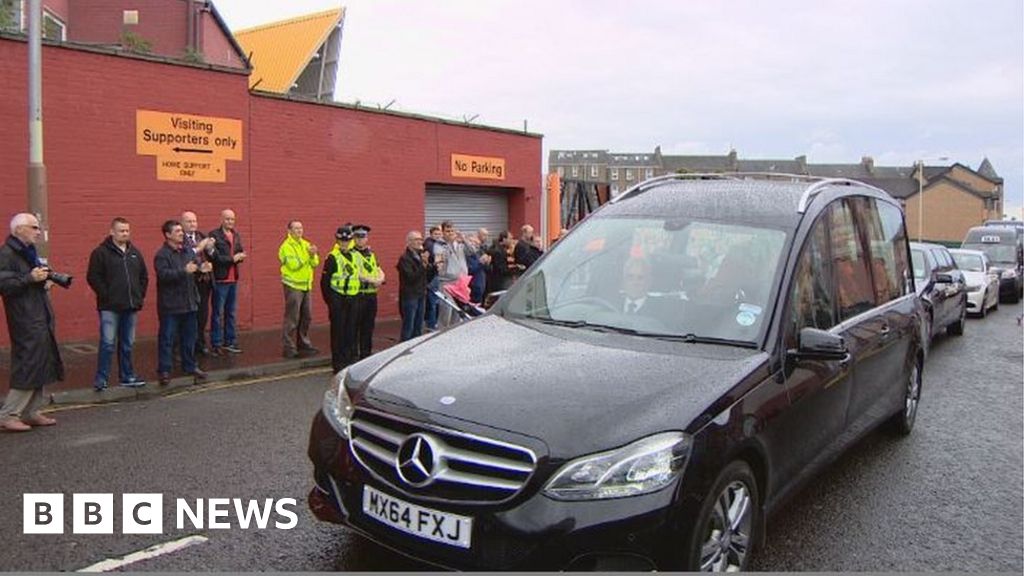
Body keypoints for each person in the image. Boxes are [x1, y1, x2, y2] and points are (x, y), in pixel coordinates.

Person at [0, 213, 64, 432]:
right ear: (19, 229)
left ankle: (31, 411)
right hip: (25, 317)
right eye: (34, 227)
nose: (38, 231)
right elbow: (4, 284)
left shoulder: (28, 252)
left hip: (38, 313)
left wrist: (42, 283)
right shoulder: (7, 253)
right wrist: (30, 279)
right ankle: (9, 414)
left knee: (41, 360)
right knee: (28, 362)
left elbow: (26, 281)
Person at [85, 216, 148, 390]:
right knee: (107, 343)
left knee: (127, 344)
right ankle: (101, 379)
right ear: (111, 231)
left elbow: (143, 276)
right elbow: (93, 277)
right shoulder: (100, 253)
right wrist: (106, 295)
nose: (125, 234)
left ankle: (127, 376)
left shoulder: (135, 253)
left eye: (127, 230)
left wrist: (139, 296)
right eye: (121, 230)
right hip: (109, 307)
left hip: (131, 305)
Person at [154, 220, 210, 386]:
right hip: (171, 304)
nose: (181, 233)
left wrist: (202, 268)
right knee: (167, 338)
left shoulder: (187, 251)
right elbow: (163, 275)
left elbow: (196, 266)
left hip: (189, 302)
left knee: (189, 337)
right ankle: (164, 370)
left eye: (181, 231)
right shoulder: (162, 255)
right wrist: (183, 271)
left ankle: (190, 365)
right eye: (177, 231)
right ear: (168, 234)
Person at [278, 220, 320, 359]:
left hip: (306, 285)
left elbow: (315, 263)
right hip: (293, 286)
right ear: (289, 231)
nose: (299, 231)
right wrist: (308, 255)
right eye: (296, 228)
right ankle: (288, 347)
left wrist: (313, 255)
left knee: (306, 316)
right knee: (292, 318)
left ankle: (303, 343)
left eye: (301, 228)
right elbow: (293, 265)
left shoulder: (306, 244)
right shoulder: (286, 247)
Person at [321, 225, 360, 372]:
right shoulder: (332, 257)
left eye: (347, 240)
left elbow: (357, 276)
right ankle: (338, 365)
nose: (344, 243)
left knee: (351, 332)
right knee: (338, 334)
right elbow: (324, 283)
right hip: (338, 300)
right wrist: (331, 302)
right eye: (342, 240)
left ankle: (350, 363)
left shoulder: (355, 256)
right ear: (337, 241)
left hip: (353, 299)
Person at [208, 209, 246, 355]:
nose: (230, 222)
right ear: (221, 219)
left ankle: (230, 341)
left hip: (233, 279)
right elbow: (215, 257)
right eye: (227, 219)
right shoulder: (214, 235)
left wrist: (241, 256)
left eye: (232, 219)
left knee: (231, 312)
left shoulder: (236, 235)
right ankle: (216, 343)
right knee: (217, 312)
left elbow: (239, 251)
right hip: (220, 279)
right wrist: (232, 259)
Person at [181, 211, 215, 356]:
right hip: (191, 282)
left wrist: (211, 249)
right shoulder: (180, 239)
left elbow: (213, 255)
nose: (192, 224)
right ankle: (186, 347)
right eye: (189, 221)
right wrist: (200, 248)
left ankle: (200, 344)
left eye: (194, 221)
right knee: (189, 316)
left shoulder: (201, 236)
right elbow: (186, 256)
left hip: (204, 282)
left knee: (202, 315)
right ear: (182, 224)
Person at [351, 224, 384, 361]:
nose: (360, 240)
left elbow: (379, 269)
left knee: (368, 326)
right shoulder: (352, 254)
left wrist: (381, 279)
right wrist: (372, 280)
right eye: (357, 237)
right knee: (355, 327)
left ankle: (366, 355)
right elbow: (356, 273)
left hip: (371, 295)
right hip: (359, 294)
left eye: (363, 237)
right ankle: (354, 355)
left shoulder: (371, 254)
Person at [434, 221, 474, 327]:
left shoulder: (459, 244)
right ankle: (441, 333)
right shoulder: (439, 245)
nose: (450, 233)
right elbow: (439, 260)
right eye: (447, 231)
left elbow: (472, 251)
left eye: (452, 231)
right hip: (447, 282)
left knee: (458, 312)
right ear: (442, 232)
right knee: (447, 310)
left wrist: (464, 239)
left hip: (461, 282)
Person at [396, 230, 434, 341]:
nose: (420, 242)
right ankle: (403, 348)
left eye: (421, 239)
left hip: (421, 294)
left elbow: (427, 277)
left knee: (418, 325)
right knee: (409, 326)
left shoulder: (421, 256)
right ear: (408, 242)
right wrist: (423, 265)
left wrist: (433, 267)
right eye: (416, 239)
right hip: (410, 296)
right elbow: (411, 277)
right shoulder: (404, 259)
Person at [423, 225, 443, 331]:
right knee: (433, 301)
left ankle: (432, 322)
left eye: (439, 234)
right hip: (432, 277)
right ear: (431, 234)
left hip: (434, 275)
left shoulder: (436, 244)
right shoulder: (430, 245)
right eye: (436, 234)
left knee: (434, 301)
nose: (438, 236)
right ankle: (431, 324)